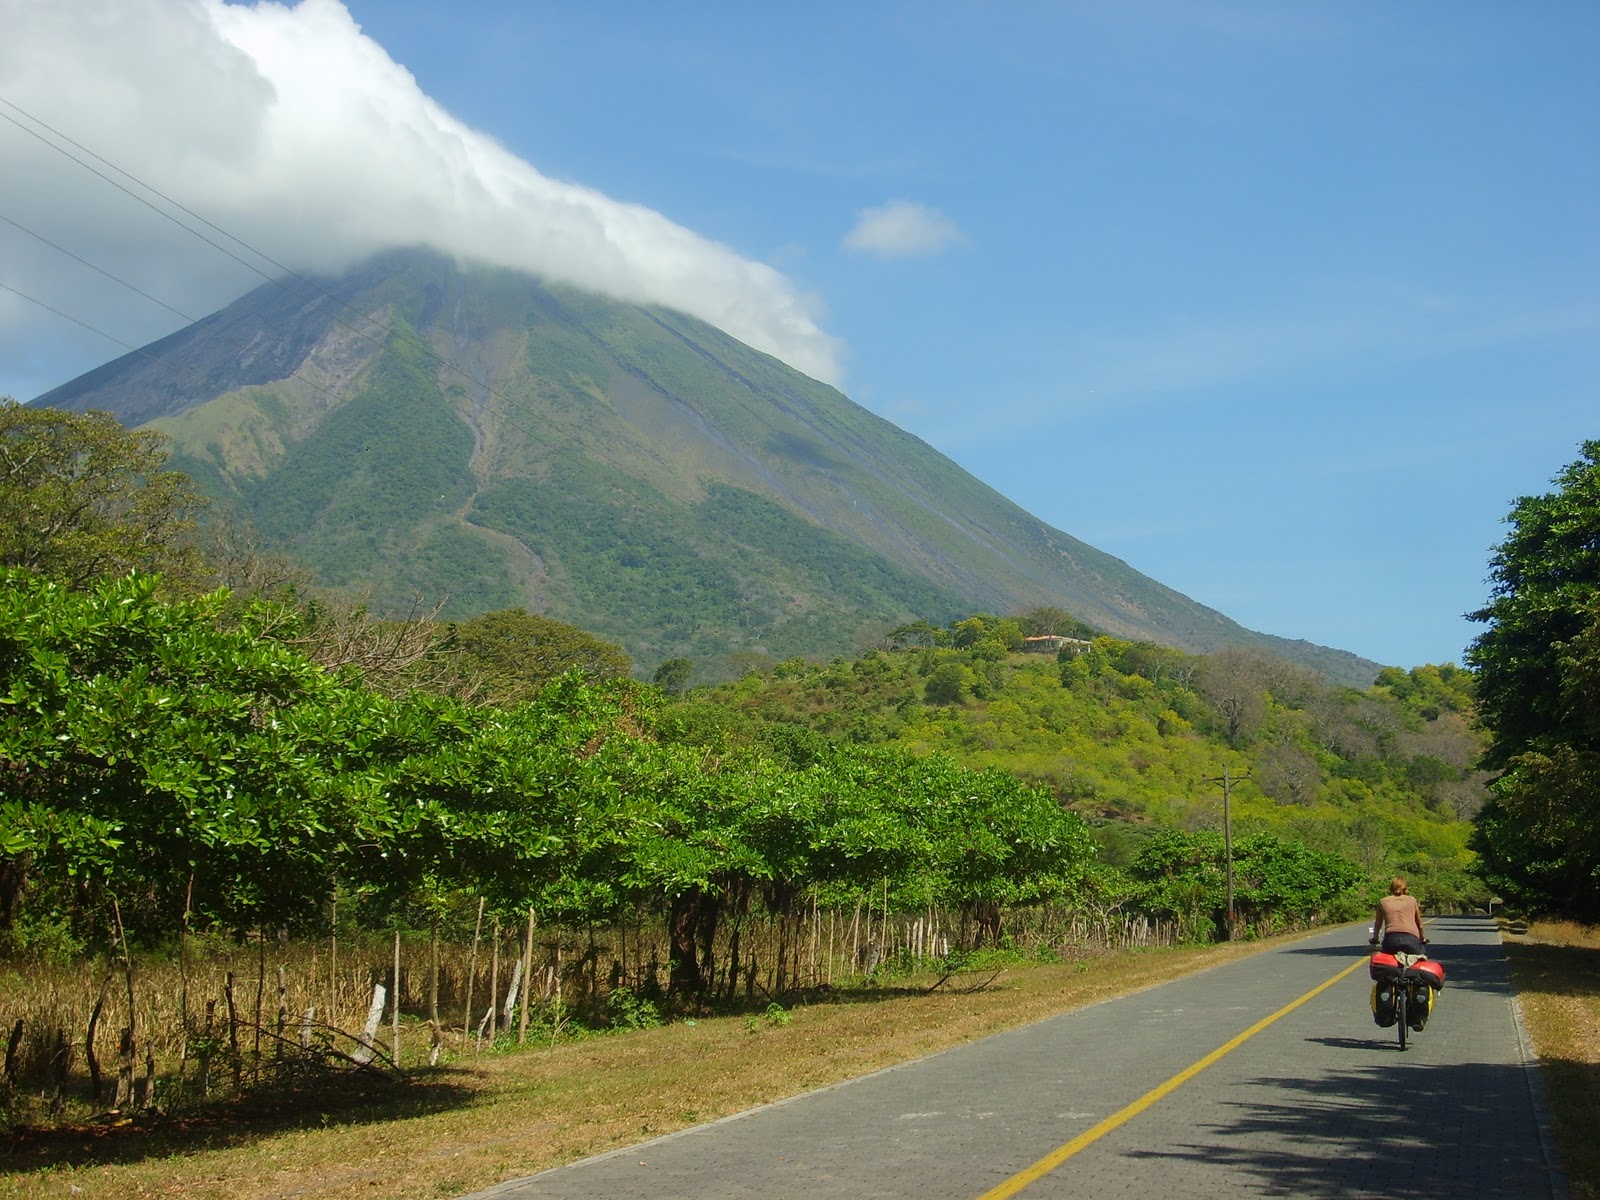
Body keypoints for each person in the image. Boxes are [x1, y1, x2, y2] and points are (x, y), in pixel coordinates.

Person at [1370, 877, 1427, 955]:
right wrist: (1422, 937)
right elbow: (1419, 924)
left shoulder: (1383, 901)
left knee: (1386, 961)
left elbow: (1378, 923)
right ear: (1405, 888)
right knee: (1421, 958)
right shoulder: (1412, 900)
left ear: (1391, 888)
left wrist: (1375, 937)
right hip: (1411, 939)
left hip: (1391, 939)